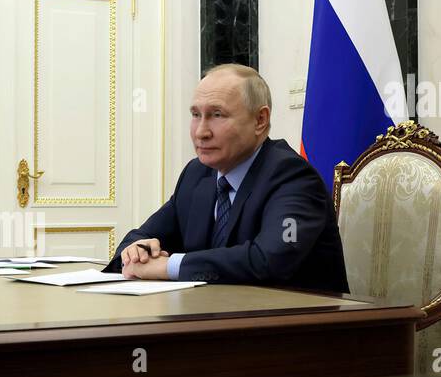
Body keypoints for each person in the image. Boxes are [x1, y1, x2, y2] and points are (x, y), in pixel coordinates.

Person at [109, 64, 349, 293]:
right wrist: (136, 252)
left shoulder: (293, 177)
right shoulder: (197, 174)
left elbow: (268, 260)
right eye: (195, 114)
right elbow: (138, 238)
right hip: (213, 319)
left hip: (300, 327)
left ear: (260, 120)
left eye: (217, 115)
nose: (201, 132)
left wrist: (169, 266)